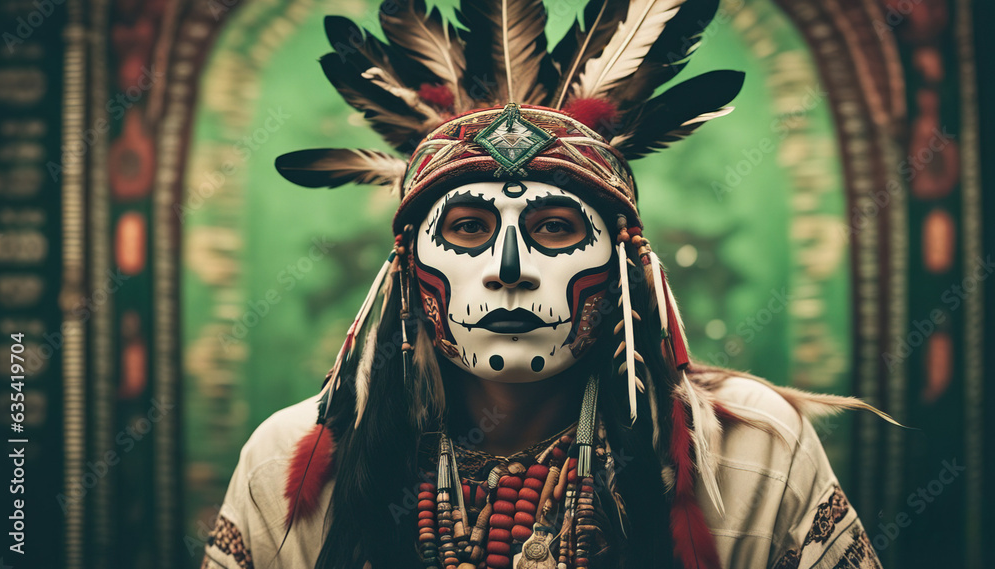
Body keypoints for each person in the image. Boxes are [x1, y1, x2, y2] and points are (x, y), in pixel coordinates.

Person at [202, 1, 894, 567]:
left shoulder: (751, 456)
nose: (510, 266)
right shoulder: (287, 461)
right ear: (410, 270)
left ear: (624, 261)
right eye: (468, 227)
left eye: (557, 227)